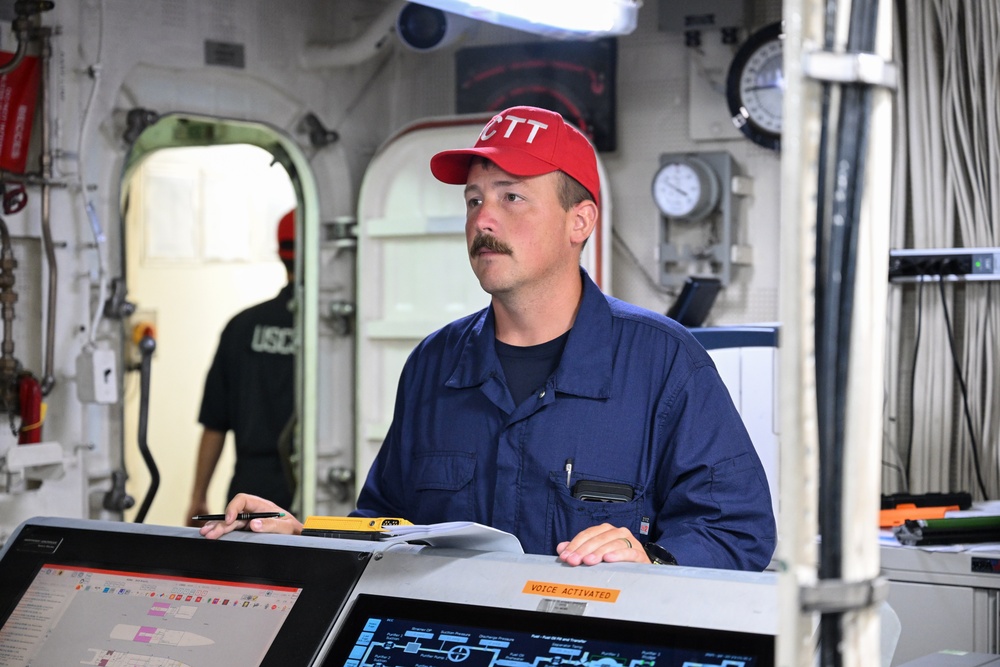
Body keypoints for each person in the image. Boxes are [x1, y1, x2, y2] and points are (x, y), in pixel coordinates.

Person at [202, 107, 776, 571]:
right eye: (474, 200)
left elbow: (737, 530)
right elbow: (387, 524)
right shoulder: (434, 364)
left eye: (512, 197)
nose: (484, 221)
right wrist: (306, 536)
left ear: (580, 221)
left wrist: (651, 557)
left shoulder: (664, 364)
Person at [186, 210, 297, 524]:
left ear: (280, 253)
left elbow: (214, 423)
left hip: (249, 496)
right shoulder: (333, 338)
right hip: (315, 490)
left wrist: (198, 495)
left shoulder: (242, 326)